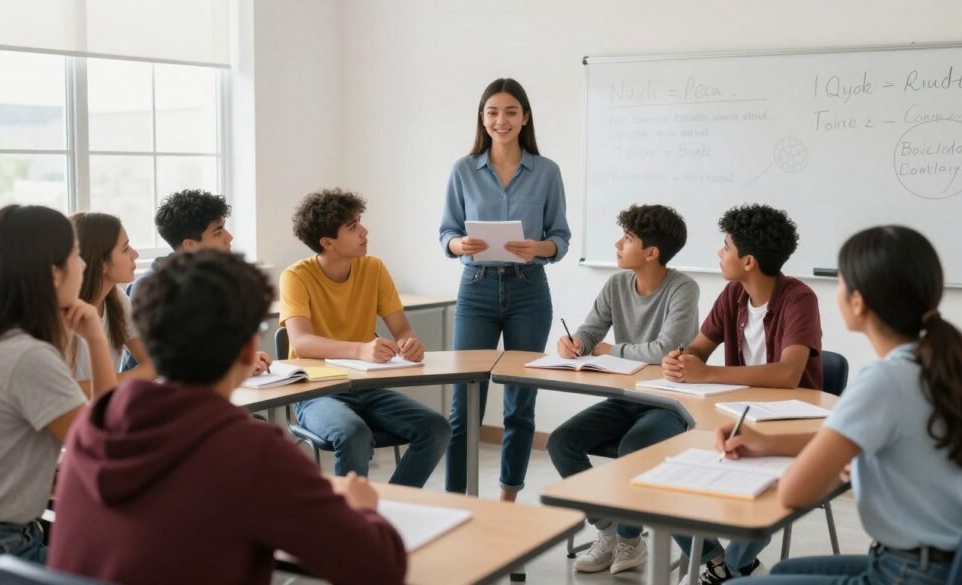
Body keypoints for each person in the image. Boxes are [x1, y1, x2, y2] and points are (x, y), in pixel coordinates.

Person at [49, 249, 407, 585]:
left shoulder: (94, 422)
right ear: (250, 347)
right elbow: (379, 567)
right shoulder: (251, 452)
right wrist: (365, 511)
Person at [727, 225, 962, 584]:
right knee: (786, 571)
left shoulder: (884, 381)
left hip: (911, 573)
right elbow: (850, 441)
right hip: (949, 562)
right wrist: (766, 442)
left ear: (858, 301)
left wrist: (852, 461)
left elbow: (794, 491)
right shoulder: (934, 365)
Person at [661, 204, 823, 583]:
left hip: (793, 415)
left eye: (725, 247)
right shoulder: (732, 294)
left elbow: (788, 375)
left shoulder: (799, 299)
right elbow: (698, 349)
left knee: (767, 484)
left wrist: (705, 373)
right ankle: (725, 563)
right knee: (671, 472)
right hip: (736, 411)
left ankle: (727, 567)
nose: (719, 255)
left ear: (748, 261)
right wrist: (680, 360)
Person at [0, 206, 113, 585]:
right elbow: (105, 447)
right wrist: (95, 339)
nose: (82, 264)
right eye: (76, 254)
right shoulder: (27, 356)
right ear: (53, 273)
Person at [547, 204, 699, 575]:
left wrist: (606, 349)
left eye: (627, 239)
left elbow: (665, 350)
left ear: (651, 253)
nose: (617, 244)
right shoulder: (616, 284)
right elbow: (590, 331)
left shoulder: (683, 288)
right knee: (561, 442)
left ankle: (631, 541)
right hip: (626, 399)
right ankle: (610, 530)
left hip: (669, 405)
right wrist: (576, 343)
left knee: (634, 448)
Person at [439, 77, 571, 500]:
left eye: (511, 112)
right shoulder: (463, 169)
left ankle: (508, 498)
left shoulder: (547, 171)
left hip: (529, 290)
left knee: (520, 401)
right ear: (483, 118)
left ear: (525, 117)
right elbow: (446, 232)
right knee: (465, 402)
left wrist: (539, 247)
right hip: (475, 289)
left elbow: (561, 238)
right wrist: (460, 244)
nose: (501, 120)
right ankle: (459, 498)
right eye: (493, 112)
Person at [281, 188, 450, 487]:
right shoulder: (296, 277)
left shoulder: (373, 268)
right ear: (327, 242)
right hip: (316, 392)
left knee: (436, 428)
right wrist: (360, 350)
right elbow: (302, 342)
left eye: (360, 222)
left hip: (367, 388)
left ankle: (391, 506)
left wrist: (410, 344)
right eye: (353, 227)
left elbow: (402, 330)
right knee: (353, 433)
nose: (364, 231)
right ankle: (350, 522)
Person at [124, 189, 270, 375]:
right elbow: (166, 361)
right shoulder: (150, 288)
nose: (229, 237)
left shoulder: (212, 280)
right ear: (190, 246)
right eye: (218, 232)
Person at [70, 212, 155, 391]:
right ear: (101, 263)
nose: (135, 254)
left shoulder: (116, 298)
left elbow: (153, 366)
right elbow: (64, 392)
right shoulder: (64, 314)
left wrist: (106, 384)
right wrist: (118, 381)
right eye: (125, 249)